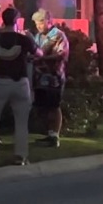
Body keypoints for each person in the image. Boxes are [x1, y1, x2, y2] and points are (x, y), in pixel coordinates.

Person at [0, 7, 41, 165]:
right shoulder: (23, 39)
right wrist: (30, 38)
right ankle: (20, 156)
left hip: (1, 81)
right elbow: (39, 54)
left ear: (3, 19)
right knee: (21, 121)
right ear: (16, 20)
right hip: (21, 83)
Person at [31, 9, 69, 148]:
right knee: (43, 107)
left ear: (48, 21)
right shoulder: (38, 36)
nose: (39, 26)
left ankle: (55, 136)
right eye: (36, 23)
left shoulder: (58, 35)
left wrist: (42, 58)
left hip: (54, 76)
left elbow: (61, 55)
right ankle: (49, 134)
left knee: (54, 106)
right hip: (40, 77)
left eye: (41, 22)